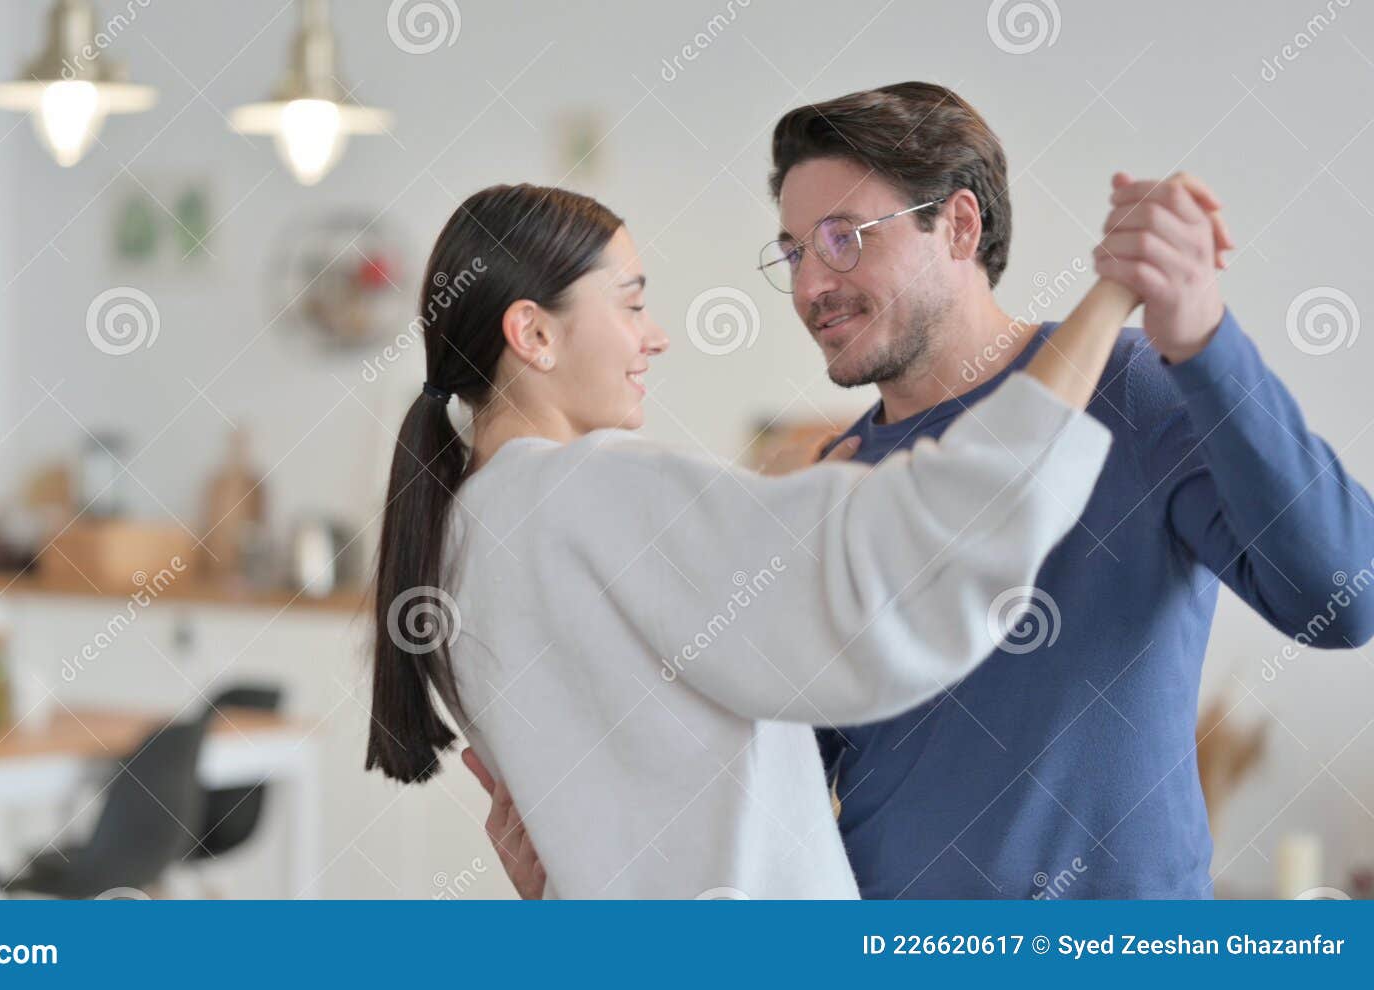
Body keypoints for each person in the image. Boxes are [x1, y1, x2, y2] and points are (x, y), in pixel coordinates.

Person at [467, 82, 1374, 900]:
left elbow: (1343, 597)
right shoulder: (834, 484)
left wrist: (1205, 339)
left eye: (843, 239)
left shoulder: (1128, 390)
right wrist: (580, 864)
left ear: (961, 226)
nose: (811, 285)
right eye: (792, 253)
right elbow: (766, 791)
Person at [364, 179, 1144, 897]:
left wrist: (790, 525)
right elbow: (899, 559)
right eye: (632, 305)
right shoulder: (591, 488)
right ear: (533, 333)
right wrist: (1109, 300)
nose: (656, 336)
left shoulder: (457, 537)